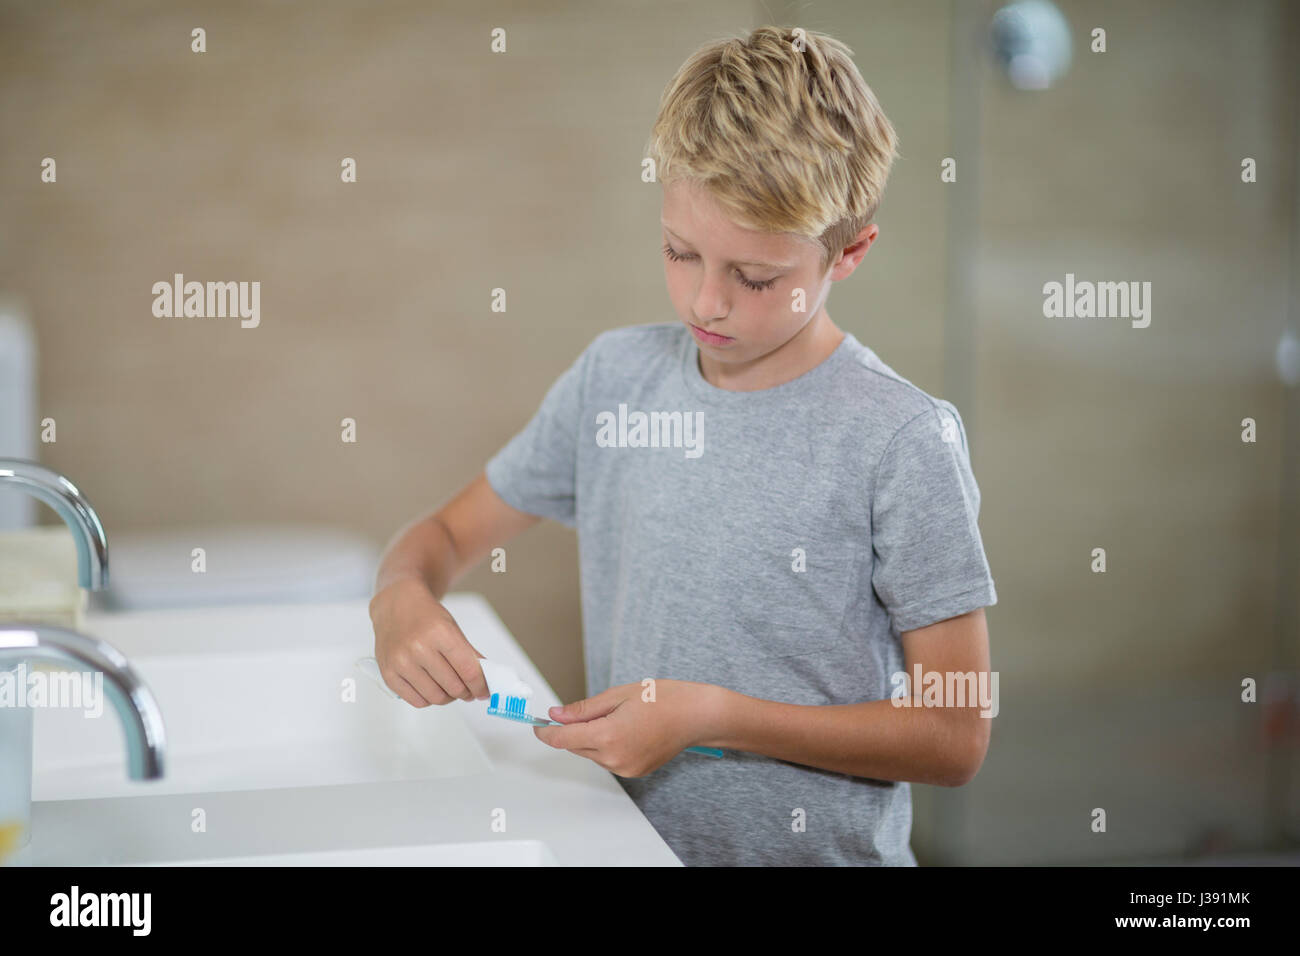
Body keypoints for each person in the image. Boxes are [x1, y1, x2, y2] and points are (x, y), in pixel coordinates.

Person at [369, 25, 997, 866]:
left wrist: (716, 719)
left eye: (756, 277)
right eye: (679, 250)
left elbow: (955, 737)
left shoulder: (900, 439)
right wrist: (399, 597)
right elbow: (442, 538)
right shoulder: (615, 380)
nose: (705, 302)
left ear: (849, 252)